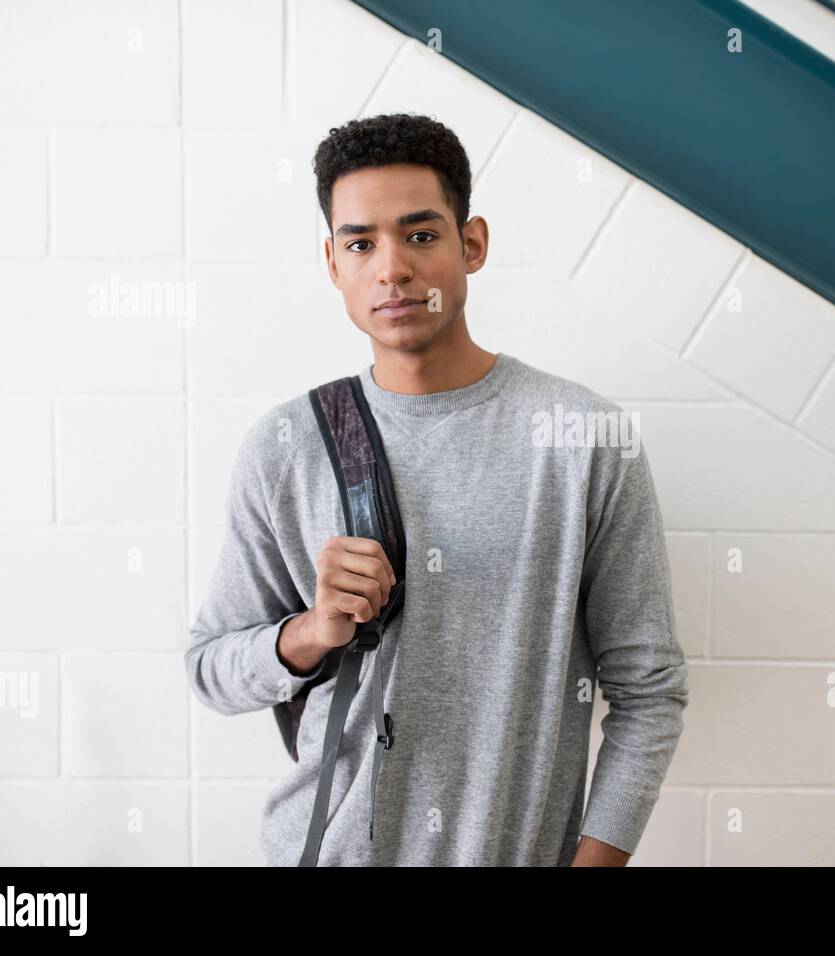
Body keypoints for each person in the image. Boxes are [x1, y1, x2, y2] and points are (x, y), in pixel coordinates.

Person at [184, 113, 689, 866]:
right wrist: (313, 631)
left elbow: (648, 692)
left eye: (420, 235)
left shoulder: (583, 438)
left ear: (471, 243)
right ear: (333, 263)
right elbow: (210, 671)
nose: (391, 268)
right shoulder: (286, 446)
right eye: (361, 243)